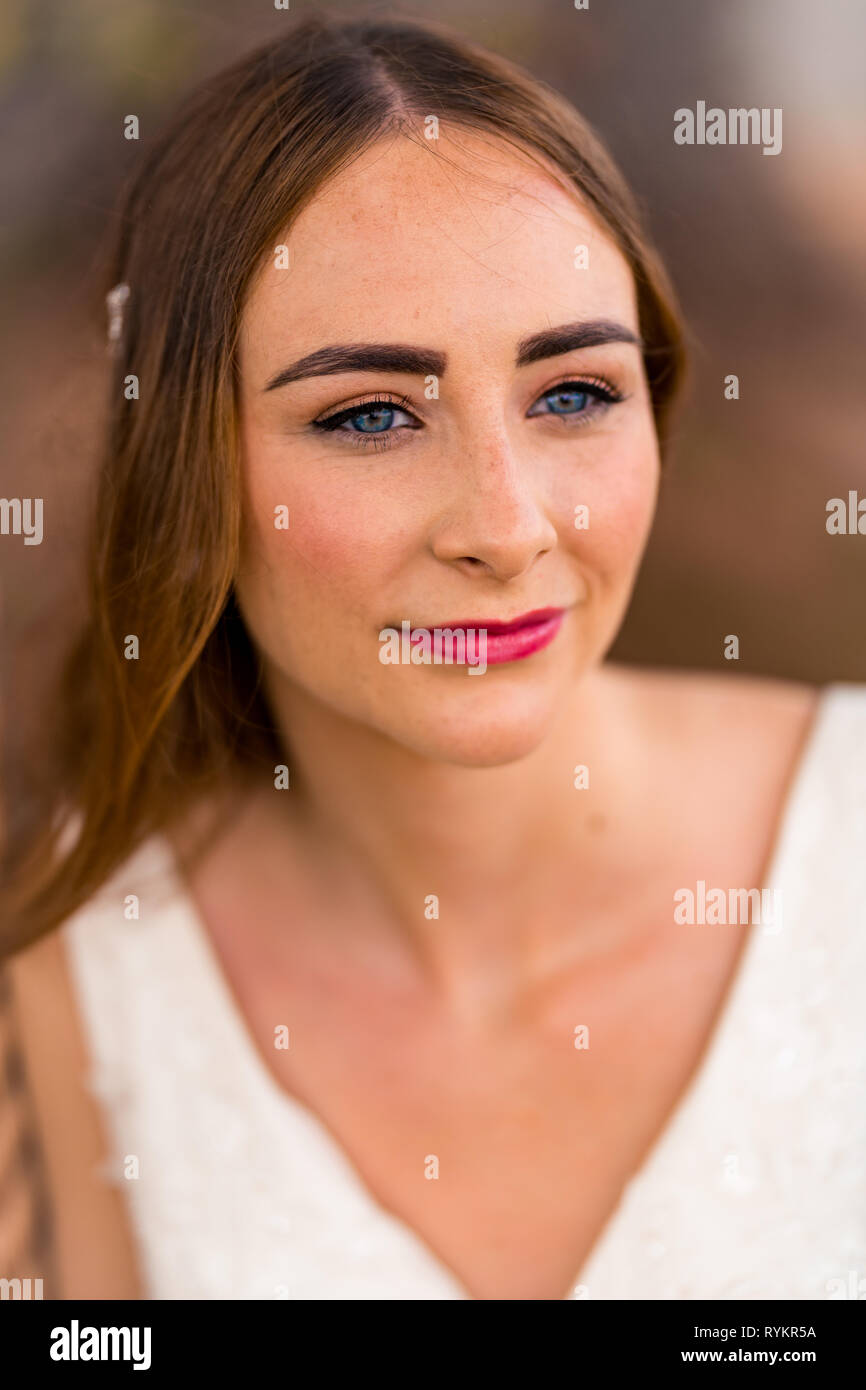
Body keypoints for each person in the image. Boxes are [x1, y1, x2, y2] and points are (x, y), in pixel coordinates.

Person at [2, 12, 864, 1302]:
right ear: (189, 473)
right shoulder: (87, 947)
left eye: (573, 392)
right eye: (368, 415)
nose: (508, 532)